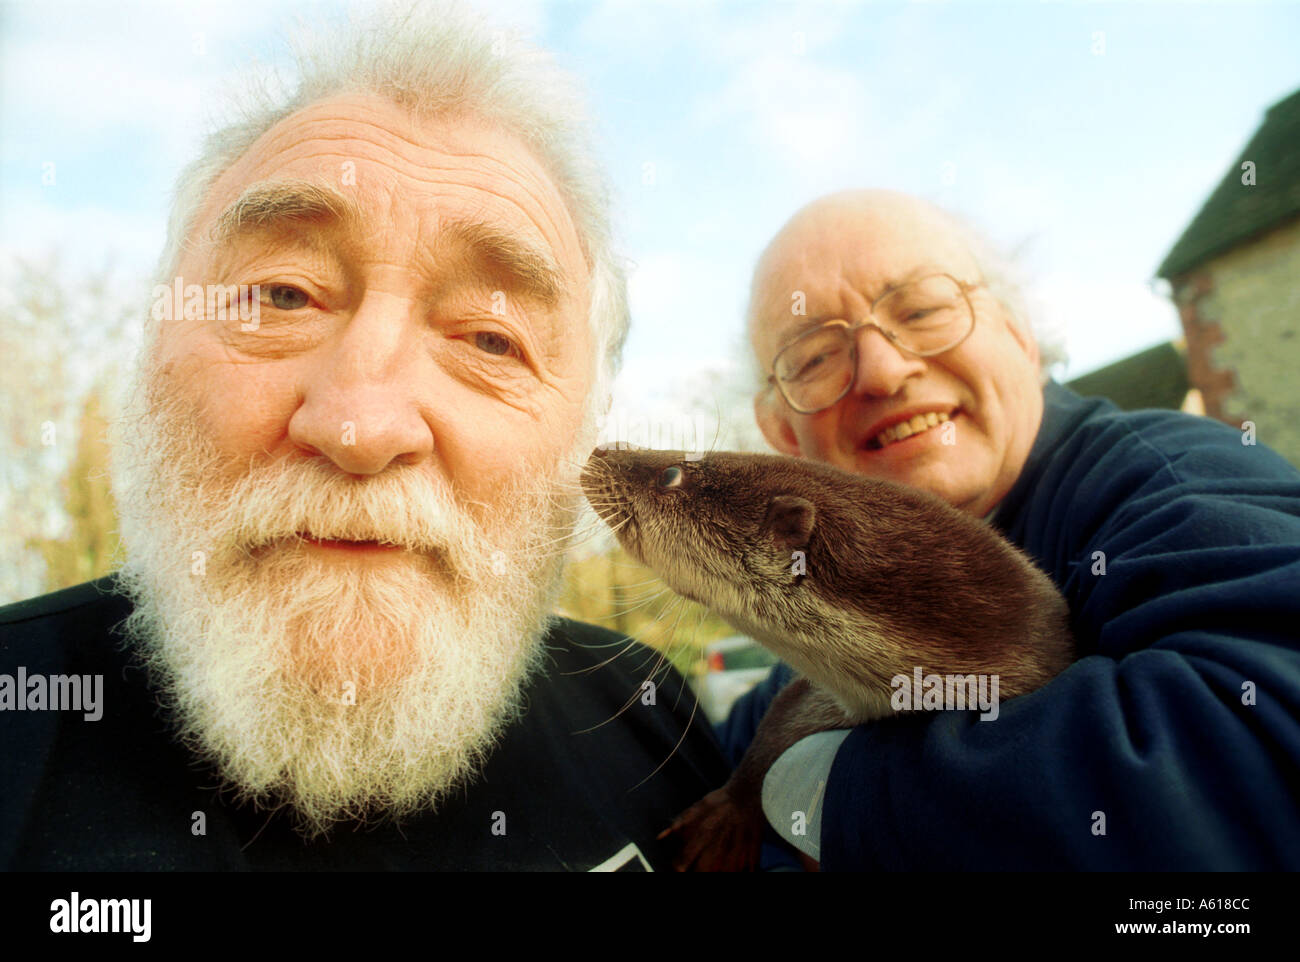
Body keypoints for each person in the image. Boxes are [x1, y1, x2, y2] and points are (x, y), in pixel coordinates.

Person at [0, 4, 728, 871]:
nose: (359, 424)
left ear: (587, 434)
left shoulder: (651, 721)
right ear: (150, 353)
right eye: (280, 296)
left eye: (492, 339)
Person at [726, 189, 1300, 870]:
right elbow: (716, 754)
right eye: (814, 357)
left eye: (921, 310)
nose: (882, 370)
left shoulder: (1173, 482)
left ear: (1019, 335)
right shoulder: (844, 603)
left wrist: (829, 793)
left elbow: (1261, 763)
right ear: (783, 433)